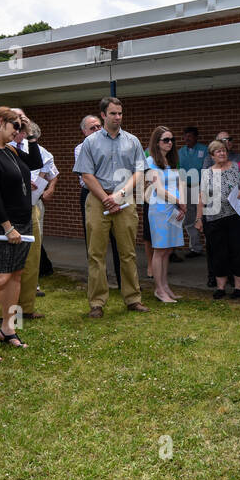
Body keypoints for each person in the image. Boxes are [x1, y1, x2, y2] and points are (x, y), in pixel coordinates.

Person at [0, 107, 43, 362]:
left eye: (19, 127)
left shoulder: (11, 149)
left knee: (16, 276)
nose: (17, 132)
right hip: (2, 226)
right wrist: (7, 226)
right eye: (14, 126)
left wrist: (30, 134)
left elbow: (35, 163)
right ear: (0, 122)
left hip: (22, 223)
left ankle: (8, 328)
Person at [75, 96, 148, 317]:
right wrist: (106, 197)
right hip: (98, 200)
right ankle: (97, 303)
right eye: (113, 113)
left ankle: (133, 299)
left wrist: (120, 195)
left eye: (120, 113)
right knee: (96, 253)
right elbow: (86, 175)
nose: (118, 117)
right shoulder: (90, 142)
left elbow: (139, 172)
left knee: (128, 253)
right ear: (103, 115)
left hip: (124, 199)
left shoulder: (132, 141)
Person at [197, 139, 240, 298]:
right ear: (212, 155)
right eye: (218, 151)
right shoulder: (207, 173)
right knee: (218, 252)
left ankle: (238, 287)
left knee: (239, 250)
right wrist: (198, 218)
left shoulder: (238, 167)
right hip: (214, 219)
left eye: (224, 150)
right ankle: (221, 288)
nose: (222, 153)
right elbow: (201, 196)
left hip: (238, 217)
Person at [75, 113, 122, 290]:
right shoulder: (81, 149)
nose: (96, 130)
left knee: (120, 241)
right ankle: (98, 284)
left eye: (98, 126)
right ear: (84, 132)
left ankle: (123, 281)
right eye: (91, 128)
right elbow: (88, 176)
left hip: (116, 195)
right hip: (92, 196)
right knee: (95, 243)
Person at [17, 117, 57, 320]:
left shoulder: (33, 149)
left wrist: (48, 187)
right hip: (12, 212)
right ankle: (9, 317)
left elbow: (47, 170)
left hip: (32, 207)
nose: (22, 133)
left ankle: (26, 308)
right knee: (13, 266)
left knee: (33, 259)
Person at [144, 125, 187, 303]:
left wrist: (182, 206)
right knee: (159, 250)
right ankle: (159, 289)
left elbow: (179, 184)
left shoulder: (172, 161)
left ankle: (166, 286)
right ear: (157, 142)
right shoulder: (151, 162)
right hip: (160, 210)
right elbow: (159, 189)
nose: (170, 143)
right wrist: (179, 202)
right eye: (166, 140)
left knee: (168, 250)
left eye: (172, 139)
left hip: (174, 210)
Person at [178, 127, 207, 257]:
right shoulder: (180, 152)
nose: (187, 138)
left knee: (205, 216)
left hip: (201, 187)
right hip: (186, 188)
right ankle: (195, 248)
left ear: (196, 137)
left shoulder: (204, 150)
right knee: (190, 218)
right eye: (185, 136)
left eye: (190, 136)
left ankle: (211, 246)